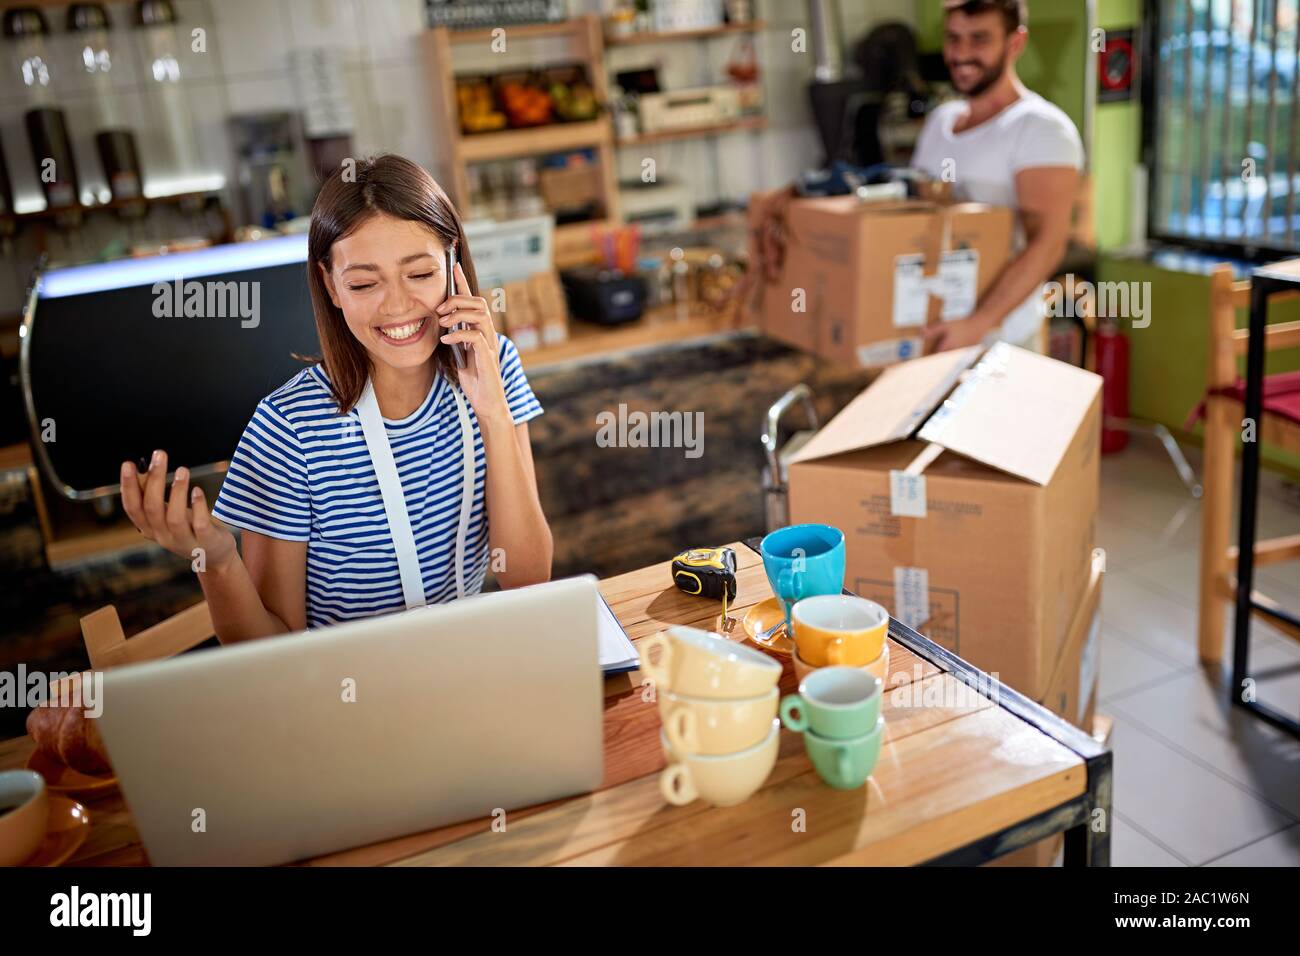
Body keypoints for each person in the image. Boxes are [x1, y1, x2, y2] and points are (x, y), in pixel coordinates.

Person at [118, 154, 553, 641]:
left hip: (465, 668)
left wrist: (492, 412)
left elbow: (528, 580)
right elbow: (271, 655)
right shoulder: (287, 430)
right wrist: (218, 561)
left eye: (420, 274)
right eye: (364, 283)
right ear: (331, 285)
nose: (397, 305)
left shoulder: (497, 364)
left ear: (453, 263)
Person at [910, 0, 1084, 352]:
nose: (962, 53)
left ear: (1015, 43)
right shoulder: (939, 122)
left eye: (979, 39)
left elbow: (1047, 245)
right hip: (928, 330)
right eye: (953, 38)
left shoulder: (1041, 128)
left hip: (1001, 341)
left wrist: (977, 324)